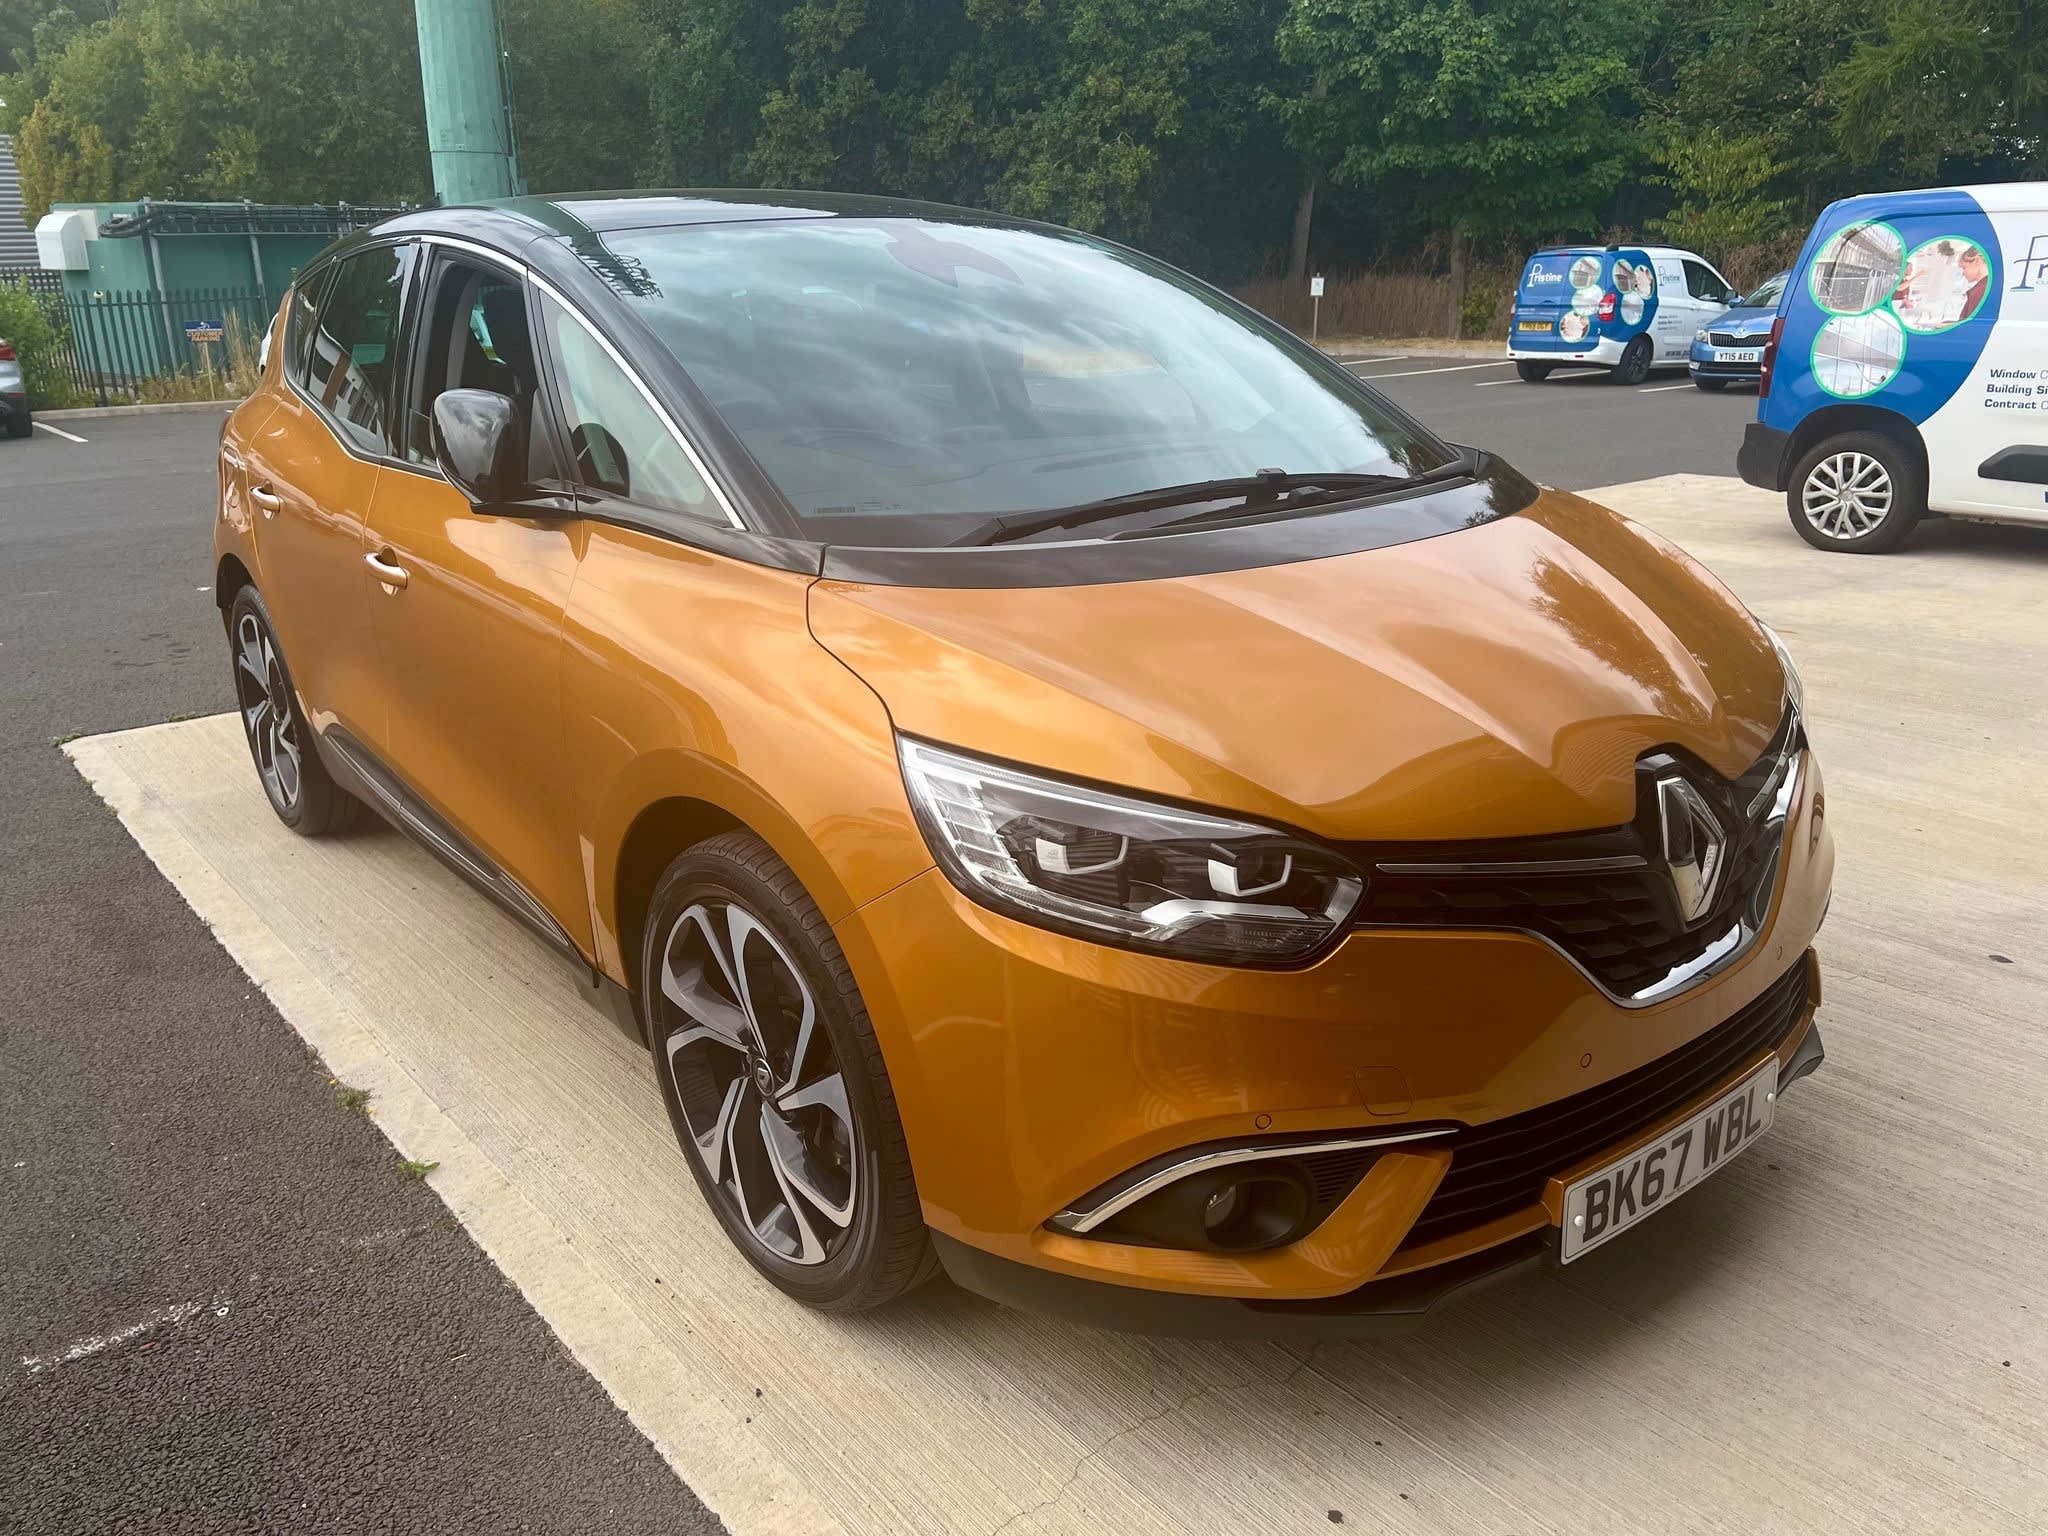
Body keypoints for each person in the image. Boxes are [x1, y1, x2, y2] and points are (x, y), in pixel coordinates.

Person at [1958, 245, 1991, 321]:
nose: (1963, 273)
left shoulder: (1980, 291)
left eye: (1964, 267)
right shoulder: (1990, 287)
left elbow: (1972, 325)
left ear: (1977, 261)